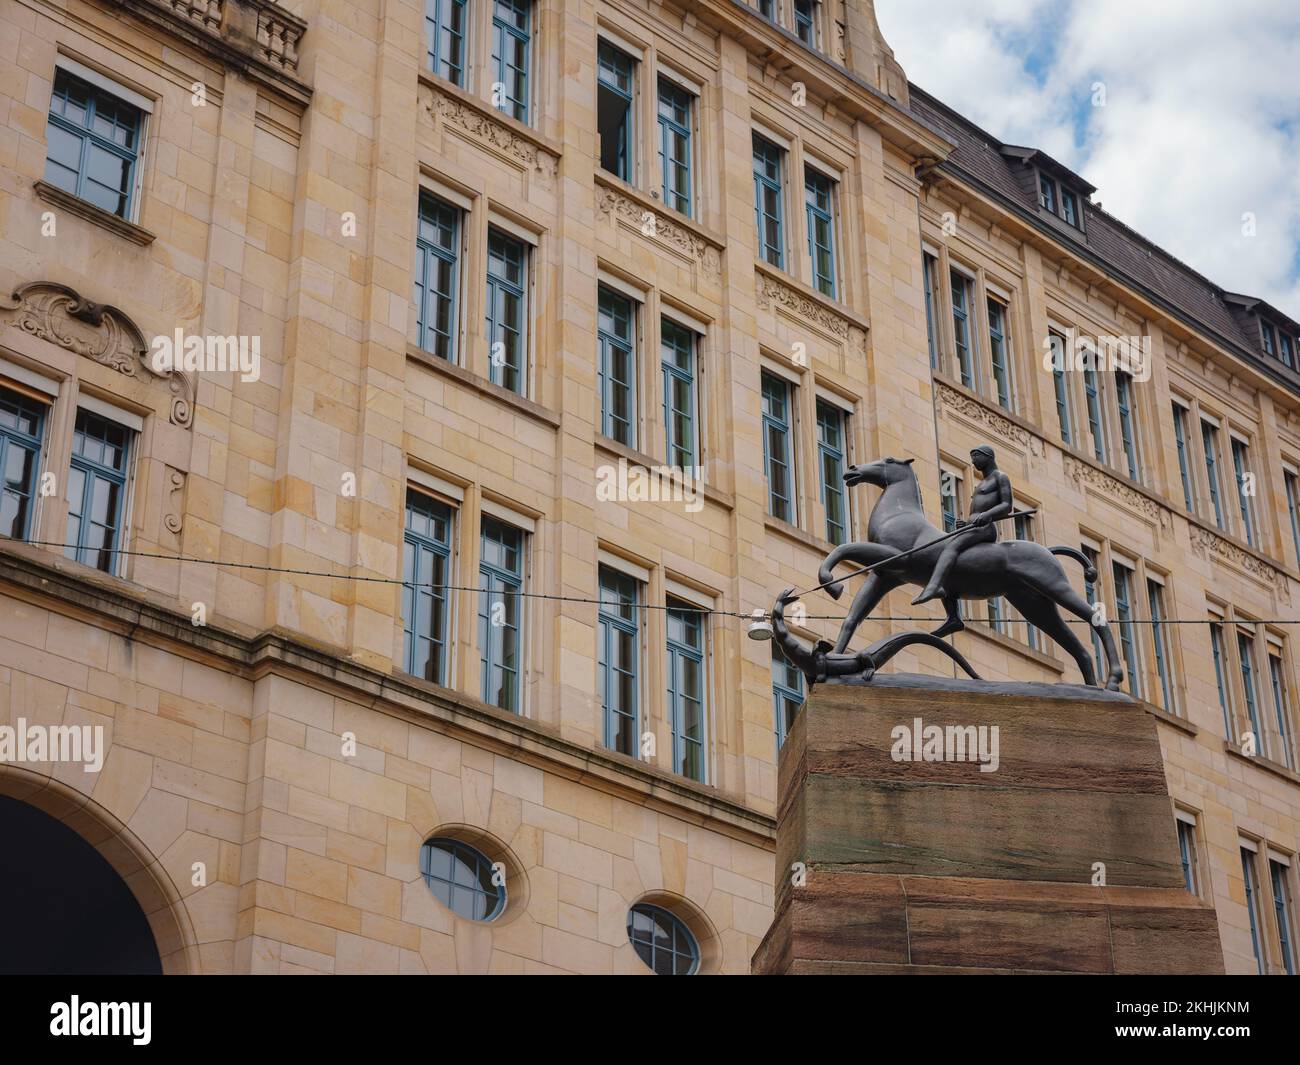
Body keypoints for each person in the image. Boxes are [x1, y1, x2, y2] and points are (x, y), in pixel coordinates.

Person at [912, 444, 1012, 606]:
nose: (973, 462)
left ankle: (934, 586)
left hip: (985, 528)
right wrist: (966, 523)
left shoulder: (1000, 477)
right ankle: (952, 616)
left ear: (988, 457)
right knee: (950, 559)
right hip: (972, 527)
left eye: (976, 457)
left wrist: (986, 515)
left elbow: (1007, 505)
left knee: (951, 547)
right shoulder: (982, 482)